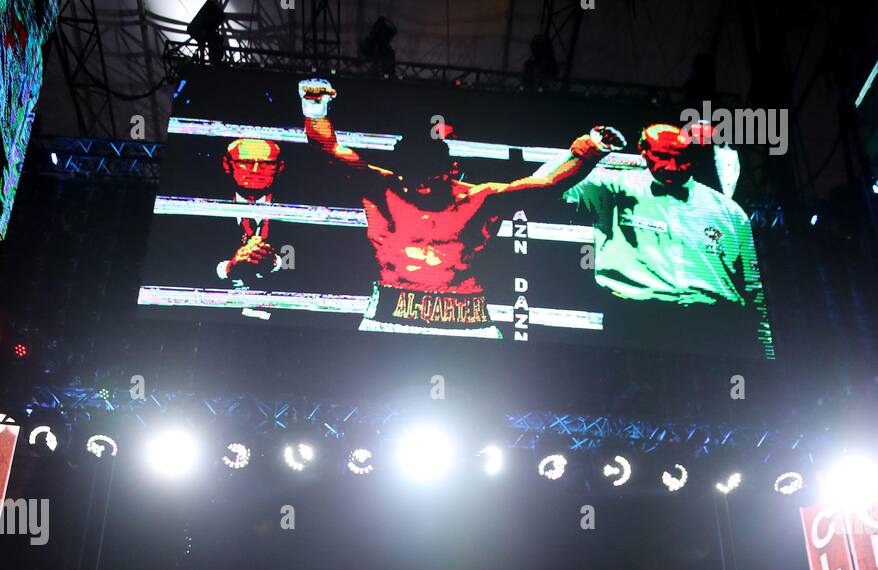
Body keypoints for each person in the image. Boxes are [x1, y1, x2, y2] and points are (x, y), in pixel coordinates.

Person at [299, 76, 626, 336]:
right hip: (390, 312)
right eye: (414, 178)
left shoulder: (481, 199)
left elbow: (549, 184)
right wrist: (314, 107)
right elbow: (328, 149)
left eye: (430, 178)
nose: (422, 187)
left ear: (452, 171)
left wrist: (591, 148)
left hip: (466, 318)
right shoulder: (382, 188)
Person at [563, 122, 772, 355]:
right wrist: (582, 154)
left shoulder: (730, 213)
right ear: (644, 152)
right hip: (633, 324)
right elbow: (546, 189)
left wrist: (766, 351)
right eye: (663, 156)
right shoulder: (611, 187)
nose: (672, 167)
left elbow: (754, 290)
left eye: (680, 157)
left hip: (715, 333)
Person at [216, 138, 286, 285]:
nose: (255, 171)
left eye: (266, 164)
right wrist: (229, 268)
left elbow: (312, 264)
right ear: (227, 164)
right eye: (247, 163)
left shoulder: (299, 209)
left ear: (280, 167)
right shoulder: (202, 206)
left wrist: (275, 262)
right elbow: (188, 264)